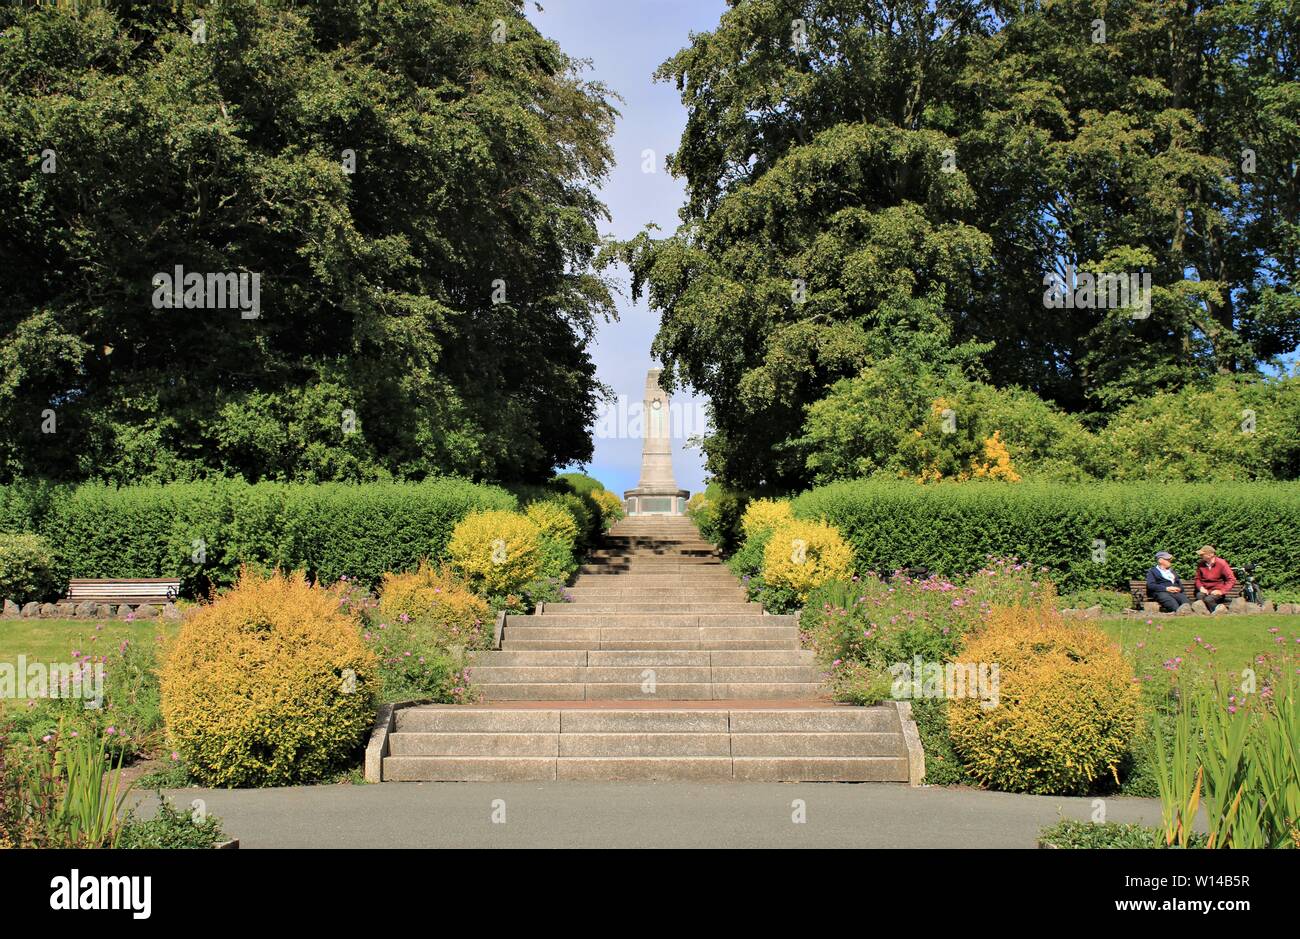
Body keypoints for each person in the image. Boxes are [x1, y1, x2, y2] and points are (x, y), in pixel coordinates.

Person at [1194, 545, 1237, 611]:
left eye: (1202, 554)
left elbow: (1232, 579)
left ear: (1210, 555)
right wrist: (1201, 587)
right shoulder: (1201, 564)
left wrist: (1221, 591)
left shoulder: (1221, 563)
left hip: (1217, 592)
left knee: (1209, 600)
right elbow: (1197, 579)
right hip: (1205, 590)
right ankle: (1205, 615)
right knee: (1199, 596)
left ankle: (1220, 611)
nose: (1200, 556)